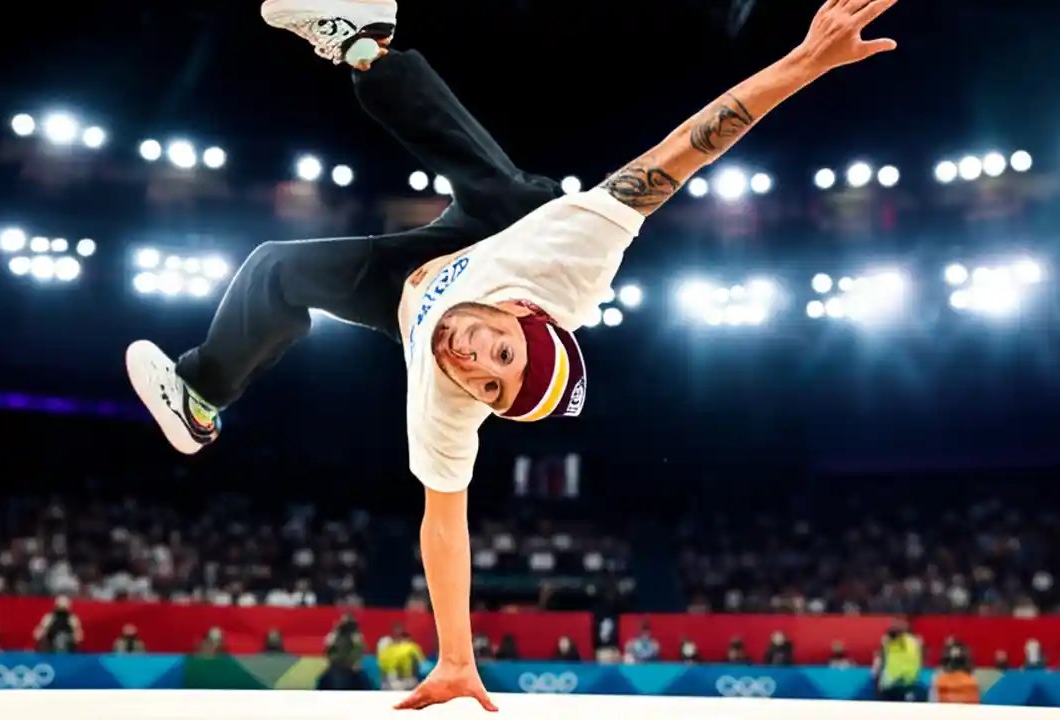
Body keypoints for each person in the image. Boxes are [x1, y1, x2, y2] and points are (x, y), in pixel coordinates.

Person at [125, 0, 900, 709]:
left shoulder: (445, 395)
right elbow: (690, 147)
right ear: (520, 314)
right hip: (505, 233)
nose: (469, 359)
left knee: (275, 268)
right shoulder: (574, 252)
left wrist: (457, 658)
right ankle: (364, 45)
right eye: (497, 351)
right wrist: (808, 62)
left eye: (486, 384)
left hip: (406, 289)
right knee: (503, 191)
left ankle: (201, 398)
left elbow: (443, 522)